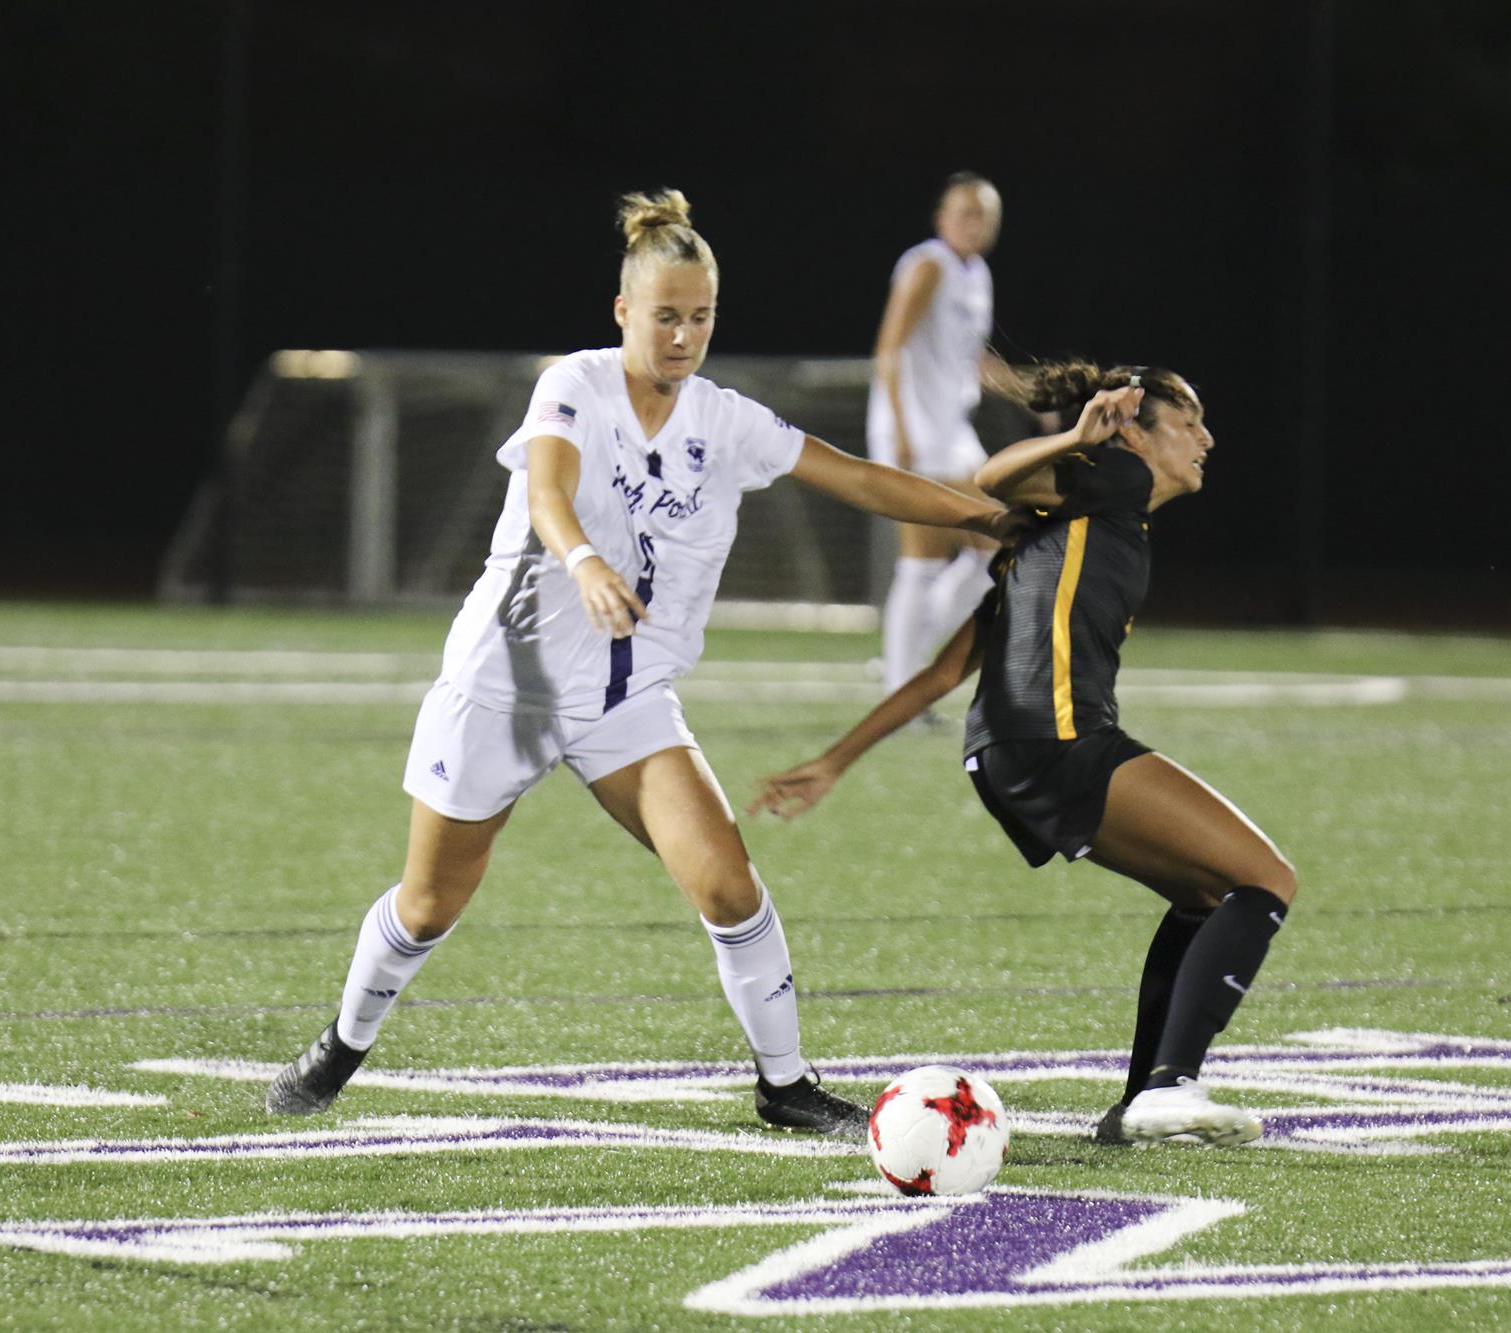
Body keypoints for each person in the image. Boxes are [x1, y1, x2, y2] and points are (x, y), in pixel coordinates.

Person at [265, 189, 1020, 1135]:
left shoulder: (725, 421)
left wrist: (997, 518)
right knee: (428, 905)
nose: (684, 335)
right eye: (666, 315)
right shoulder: (574, 385)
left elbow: (863, 479)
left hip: (625, 698)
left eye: (701, 316)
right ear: (623, 310)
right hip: (506, 687)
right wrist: (583, 562)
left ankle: (785, 1084)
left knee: (728, 883)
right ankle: (343, 1043)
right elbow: (548, 491)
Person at [752, 361, 1296, 1147]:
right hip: (1055, 739)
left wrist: (836, 759)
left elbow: (942, 673)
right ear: (1135, 434)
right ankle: (1169, 1083)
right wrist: (1077, 437)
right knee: (1265, 877)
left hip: (1010, 751)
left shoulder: (1065, 529)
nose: (1206, 439)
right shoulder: (1112, 479)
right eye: (1189, 422)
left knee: (1207, 894)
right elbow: (993, 477)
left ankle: (1145, 1100)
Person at [867, 172, 1030, 711]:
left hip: (953, 430)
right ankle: (900, 685)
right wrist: (901, 430)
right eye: (965, 212)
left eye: (985, 214)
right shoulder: (928, 265)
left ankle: (905, 659)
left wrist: (1028, 393)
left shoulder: (976, 274)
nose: (975, 223)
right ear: (942, 219)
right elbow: (890, 348)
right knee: (923, 558)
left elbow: (971, 358)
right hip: (914, 429)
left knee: (1000, 546)